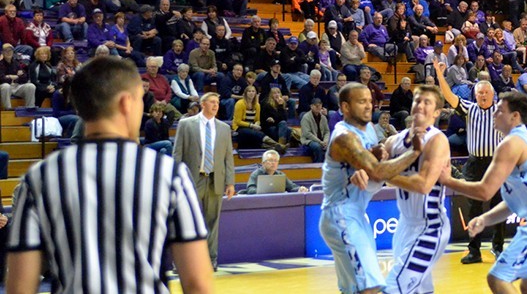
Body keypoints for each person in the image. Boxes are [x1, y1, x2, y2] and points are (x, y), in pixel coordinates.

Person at [6, 56, 212, 293]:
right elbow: (197, 283)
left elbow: (20, 285)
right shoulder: (170, 174)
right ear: (126, 103)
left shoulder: (39, 178)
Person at [439, 92, 527, 293]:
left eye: (499, 110)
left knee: (498, 278)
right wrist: (485, 219)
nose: (494, 114)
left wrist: (448, 181)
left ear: (515, 116)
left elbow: (484, 191)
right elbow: (515, 201)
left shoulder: (511, 143)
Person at [318, 82, 424, 294]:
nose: (368, 106)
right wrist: (413, 153)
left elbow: (368, 161)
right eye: (361, 102)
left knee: (357, 288)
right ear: (345, 107)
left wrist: (373, 154)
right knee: (370, 286)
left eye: (370, 101)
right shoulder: (344, 137)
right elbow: (377, 172)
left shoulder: (368, 130)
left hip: (355, 214)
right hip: (341, 214)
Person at [376, 85, 452, 294]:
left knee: (394, 287)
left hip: (430, 227)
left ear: (437, 112)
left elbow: (423, 184)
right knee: (418, 289)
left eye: (427, 102)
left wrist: (384, 174)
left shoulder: (437, 140)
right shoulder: (395, 140)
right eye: (417, 100)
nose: (420, 105)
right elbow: (374, 168)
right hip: (404, 226)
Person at [434, 61, 506, 264]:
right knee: (474, 208)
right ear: (475, 95)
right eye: (479, 93)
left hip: (496, 165)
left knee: (498, 206)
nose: (482, 96)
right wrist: (440, 74)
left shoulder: (502, 111)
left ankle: (498, 247)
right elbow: (448, 97)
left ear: (492, 95)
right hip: (474, 164)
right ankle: (474, 250)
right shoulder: (469, 108)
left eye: (486, 93)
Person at [173, 92, 237, 271]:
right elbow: (177, 153)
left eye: (217, 102)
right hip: (192, 179)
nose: (216, 105)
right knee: (186, 221)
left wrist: (230, 183)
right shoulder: (186, 124)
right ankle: (182, 263)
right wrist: (175, 179)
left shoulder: (224, 128)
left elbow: (228, 158)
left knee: (212, 222)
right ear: (203, 104)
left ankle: (211, 260)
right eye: (212, 102)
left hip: (215, 180)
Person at [243, 150, 309, 194]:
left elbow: (292, 187)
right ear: (263, 163)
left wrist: (299, 189)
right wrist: (264, 191)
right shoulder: (256, 174)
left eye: (276, 160)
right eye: (271, 160)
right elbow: (250, 190)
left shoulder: (280, 175)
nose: (273, 163)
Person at [0, 43, 36, 109]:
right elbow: (1, 79)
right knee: (5, 86)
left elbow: (25, 77)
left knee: (31, 86)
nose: (8, 52)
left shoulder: (17, 63)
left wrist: (10, 77)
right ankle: (7, 109)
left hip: (16, 86)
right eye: (6, 51)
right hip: (4, 88)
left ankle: (30, 109)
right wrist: (15, 77)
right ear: (2, 52)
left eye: (10, 50)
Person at [301, 98, 330, 163]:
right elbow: (307, 134)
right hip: (308, 140)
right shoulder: (306, 117)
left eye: (319, 105)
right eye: (315, 105)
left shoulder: (323, 117)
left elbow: (327, 131)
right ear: (311, 106)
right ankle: (317, 165)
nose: (318, 107)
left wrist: (325, 141)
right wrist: (320, 142)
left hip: (322, 141)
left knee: (332, 145)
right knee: (317, 146)